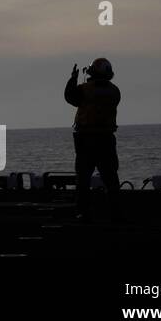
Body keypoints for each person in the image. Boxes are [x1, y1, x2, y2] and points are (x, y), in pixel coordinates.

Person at [63, 57, 121, 221]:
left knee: (83, 178)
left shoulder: (85, 90)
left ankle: (83, 212)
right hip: (106, 139)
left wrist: (73, 79)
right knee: (111, 178)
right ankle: (115, 212)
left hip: (86, 138)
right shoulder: (115, 91)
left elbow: (69, 97)